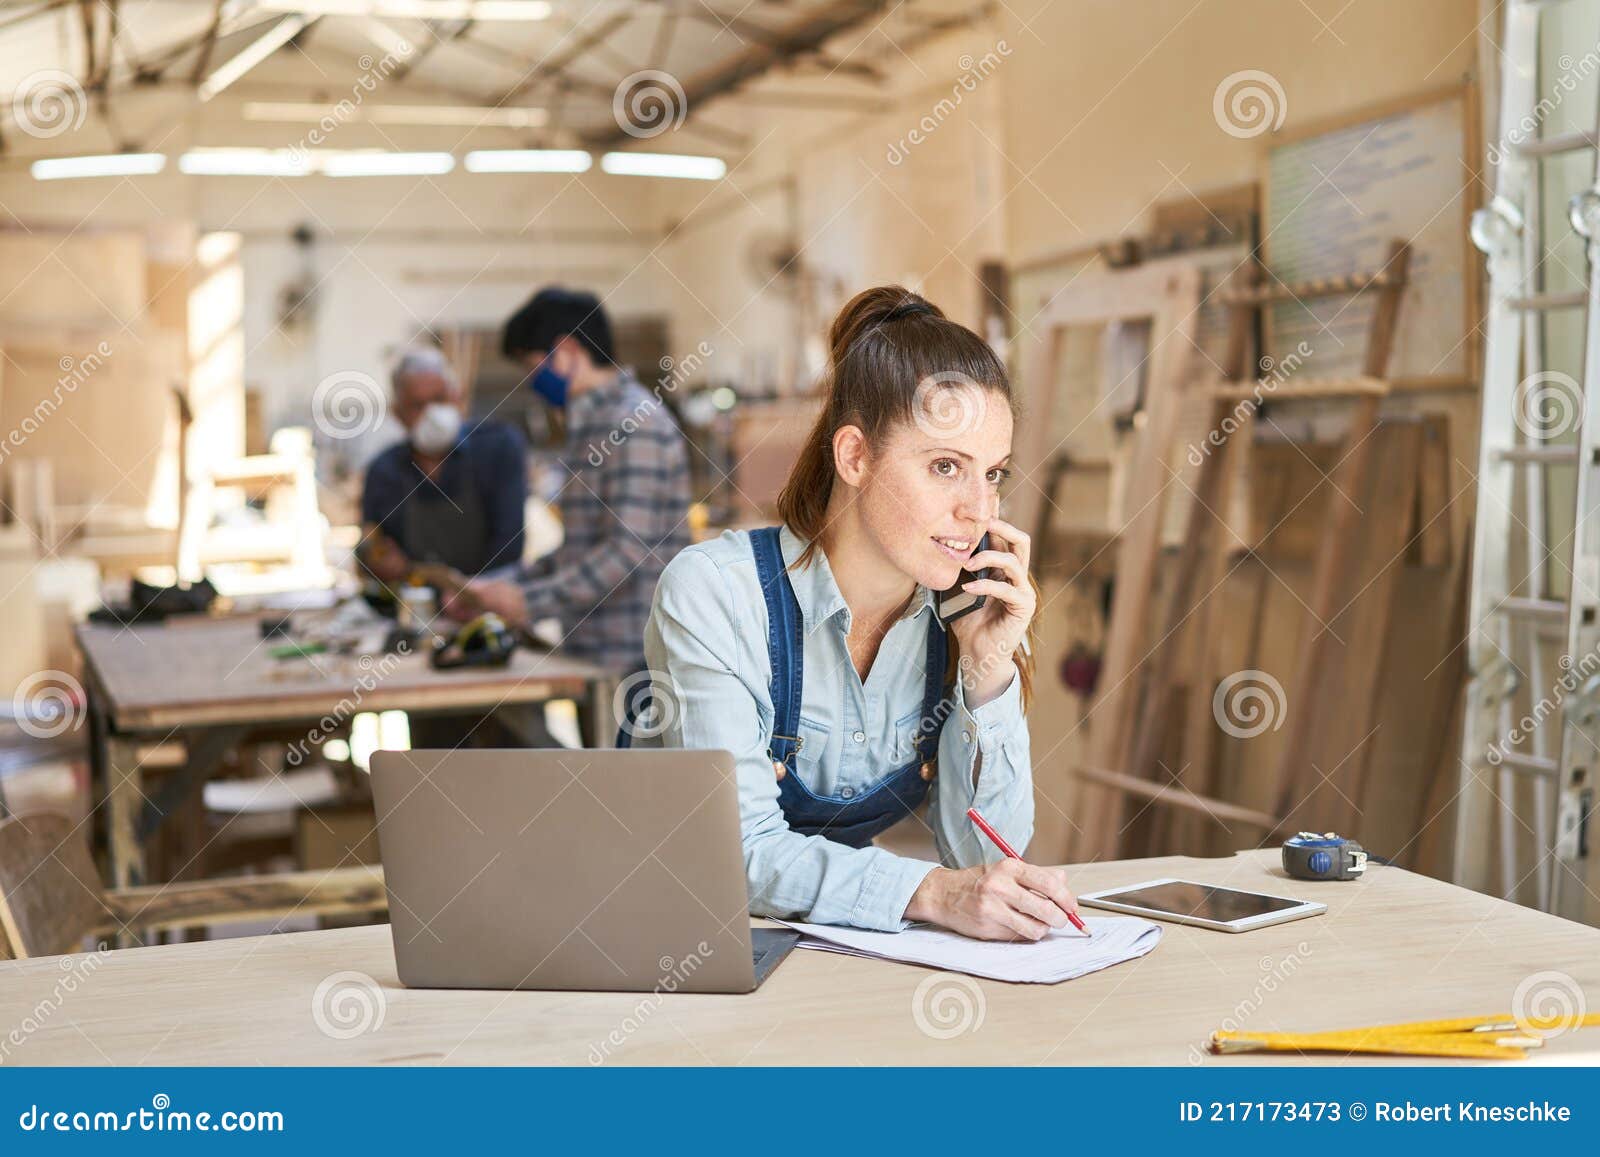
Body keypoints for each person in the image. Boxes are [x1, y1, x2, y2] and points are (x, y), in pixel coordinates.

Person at [631, 286, 1080, 940]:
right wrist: (928, 890)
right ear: (855, 457)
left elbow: (985, 867)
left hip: (825, 956)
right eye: (946, 466)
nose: (980, 510)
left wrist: (988, 670)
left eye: (994, 473)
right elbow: (739, 853)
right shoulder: (716, 596)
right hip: (677, 952)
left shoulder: (960, 612)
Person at [451, 288, 690, 676]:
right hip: (592, 652)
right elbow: (576, 552)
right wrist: (493, 588)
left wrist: (527, 602)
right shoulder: (589, 427)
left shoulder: (634, 423)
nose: (532, 382)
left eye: (532, 367)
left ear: (565, 352)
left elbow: (626, 552)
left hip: (637, 660)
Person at [359, 347, 527, 582]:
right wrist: (376, 558)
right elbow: (369, 547)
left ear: (457, 397)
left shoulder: (498, 448)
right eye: (417, 406)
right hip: (417, 605)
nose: (431, 415)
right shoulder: (383, 471)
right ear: (398, 413)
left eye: (439, 399)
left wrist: (471, 595)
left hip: (491, 600)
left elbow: (509, 546)